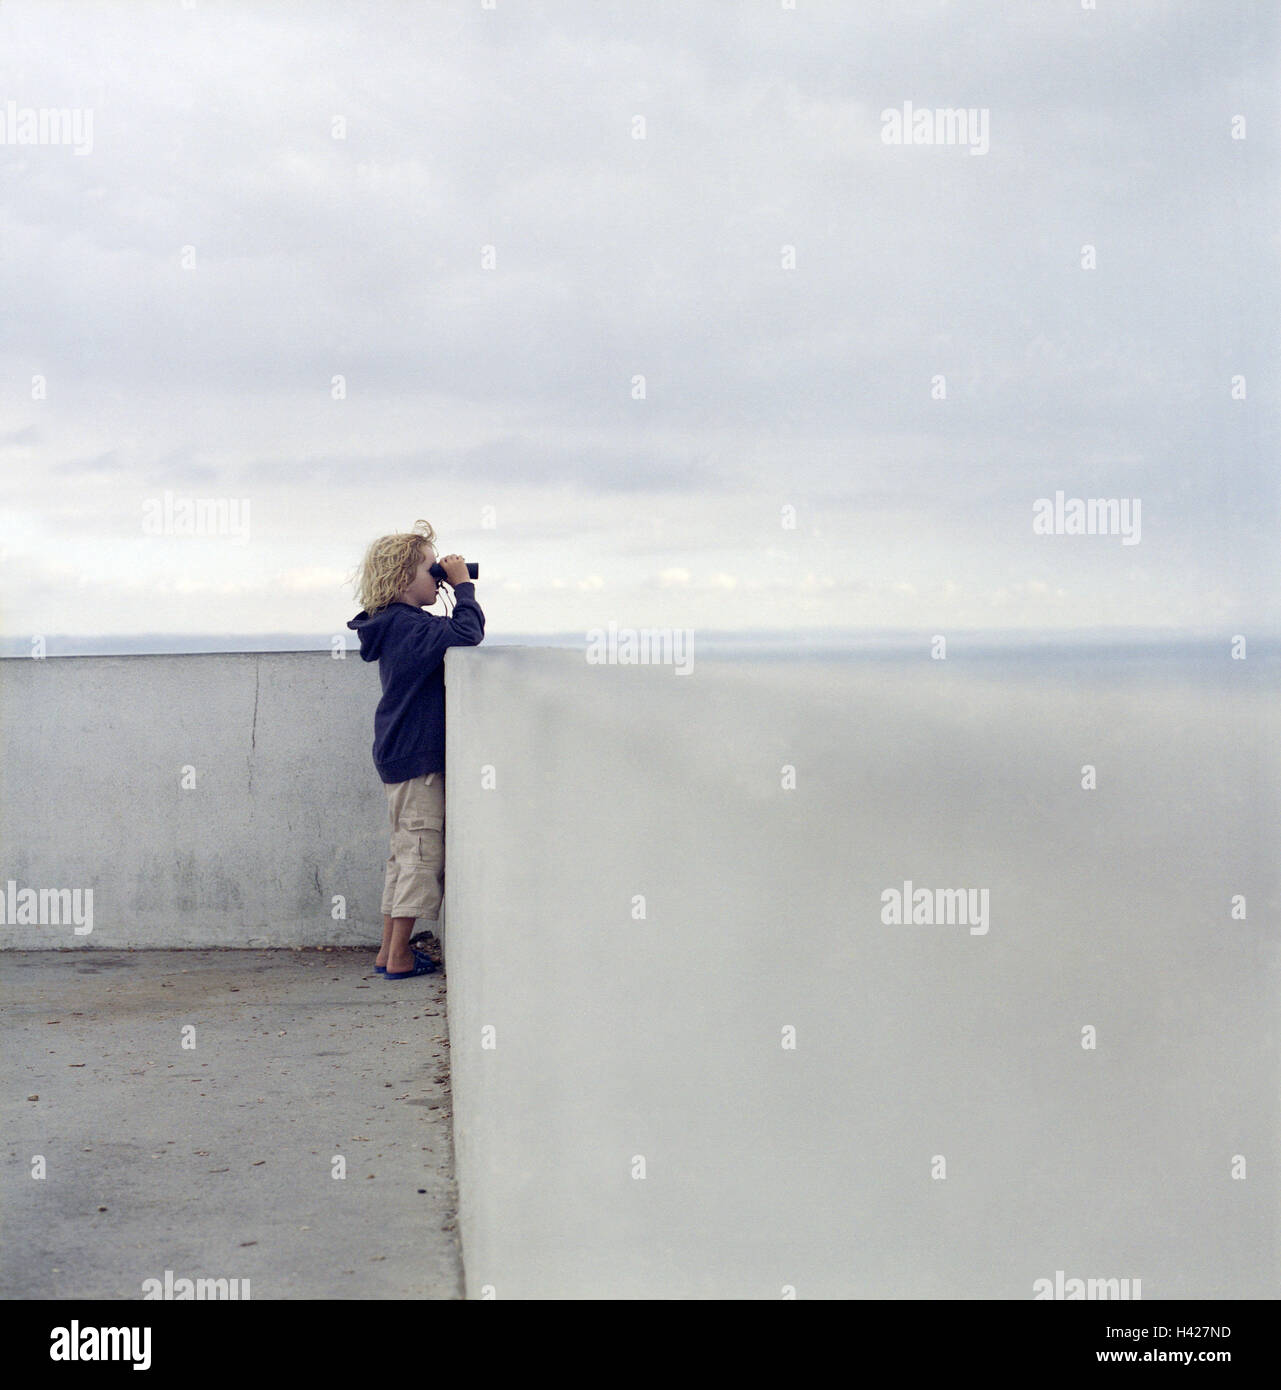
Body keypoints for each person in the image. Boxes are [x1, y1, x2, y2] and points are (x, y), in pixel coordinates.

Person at [347, 520, 485, 978]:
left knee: (403, 852)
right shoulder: (409, 628)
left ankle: (390, 952)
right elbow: (468, 633)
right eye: (433, 569)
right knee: (420, 854)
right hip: (417, 755)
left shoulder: (395, 625)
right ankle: (402, 957)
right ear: (405, 578)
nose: (440, 576)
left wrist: (449, 580)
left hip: (398, 751)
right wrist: (463, 587)